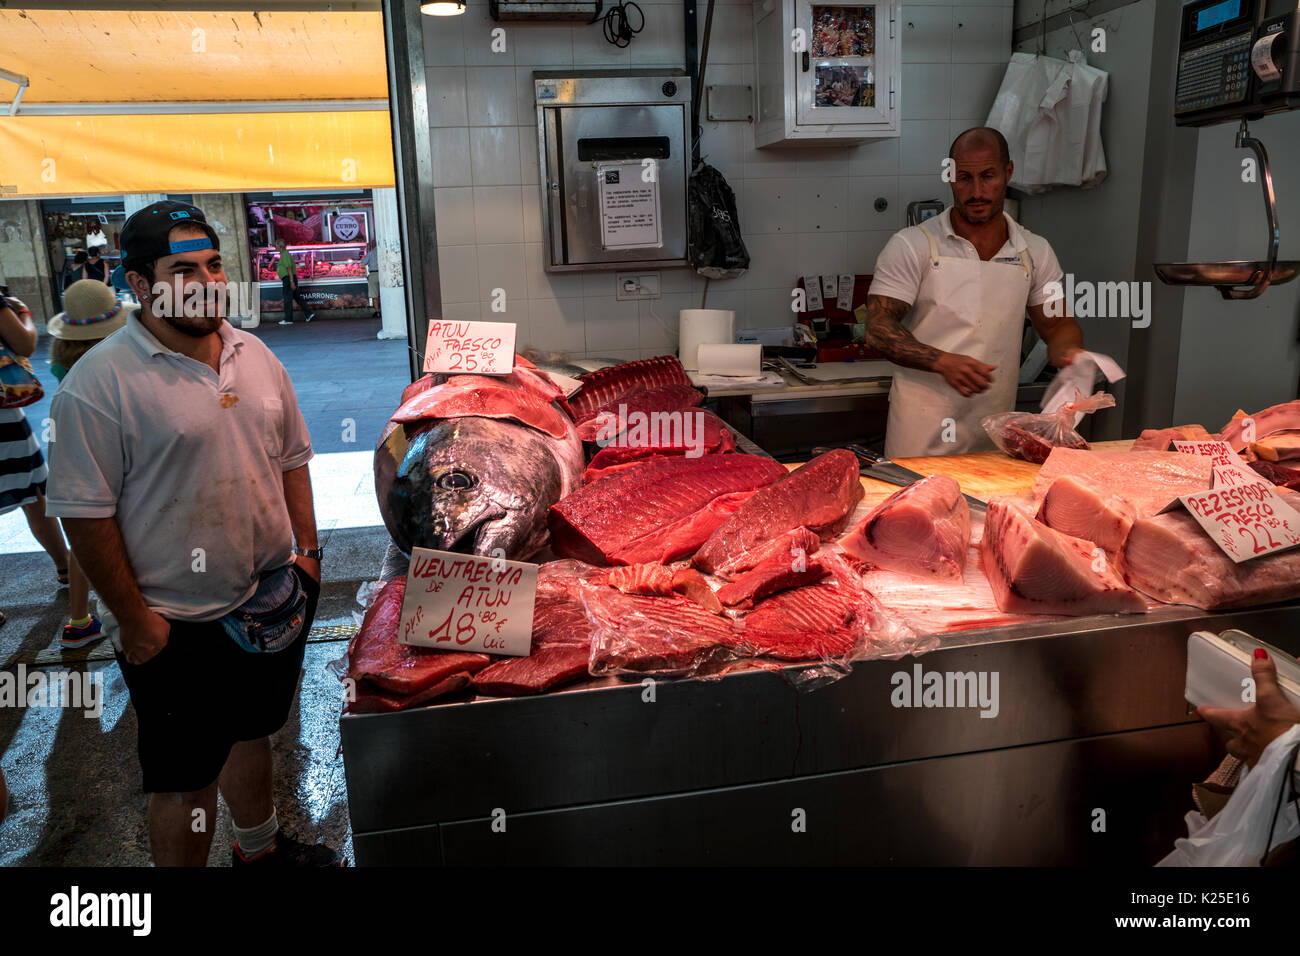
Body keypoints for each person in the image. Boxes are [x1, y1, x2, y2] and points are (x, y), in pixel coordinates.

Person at [46, 200, 342, 867]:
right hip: (173, 620)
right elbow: (83, 516)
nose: (207, 282)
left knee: (250, 734)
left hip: (270, 597)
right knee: (185, 780)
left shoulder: (254, 352)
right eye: (184, 270)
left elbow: (292, 459)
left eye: (214, 265)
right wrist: (135, 621)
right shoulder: (99, 384)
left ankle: (259, 851)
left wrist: (308, 555)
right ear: (140, 284)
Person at [864, 126, 1084, 458]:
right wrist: (941, 361)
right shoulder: (913, 245)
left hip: (995, 426)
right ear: (950, 177)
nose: (976, 191)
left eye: (988, 177)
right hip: (921, 428)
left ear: (1008, 172)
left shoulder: (1035, 251)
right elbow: (878, 328)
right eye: (964, 178)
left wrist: (1070, 354)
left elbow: (1057, 325)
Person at [47, 279, 139, 649]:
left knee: (85, 532)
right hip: (113, 450)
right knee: (119, 530)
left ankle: (78, 619)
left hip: (71, 449)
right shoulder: (116, 360)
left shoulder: (62, 362)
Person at [0, 293, 71, 593]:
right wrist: (23, 314)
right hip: (3, 417)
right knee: (33, 493)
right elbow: (25, 344)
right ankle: (65, 567)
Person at [274, 238, 315, 326]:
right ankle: (309, 314)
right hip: (290, 278)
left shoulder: (284, 254)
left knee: (287, 299)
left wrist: (291, 281)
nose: (275, 248)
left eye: (275, 246)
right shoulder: (284, 254)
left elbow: (289, 268)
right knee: (297, 297)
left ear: (280, 247)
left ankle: (288, 319)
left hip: (288, 279)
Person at [363, 239, 379, 318]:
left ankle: (377, 312)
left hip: (373, 274)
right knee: (383, 293)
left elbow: (363, 263)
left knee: (374, 295)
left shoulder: (370, 253)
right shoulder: (382, 252)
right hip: (383, 274)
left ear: (373, 245)